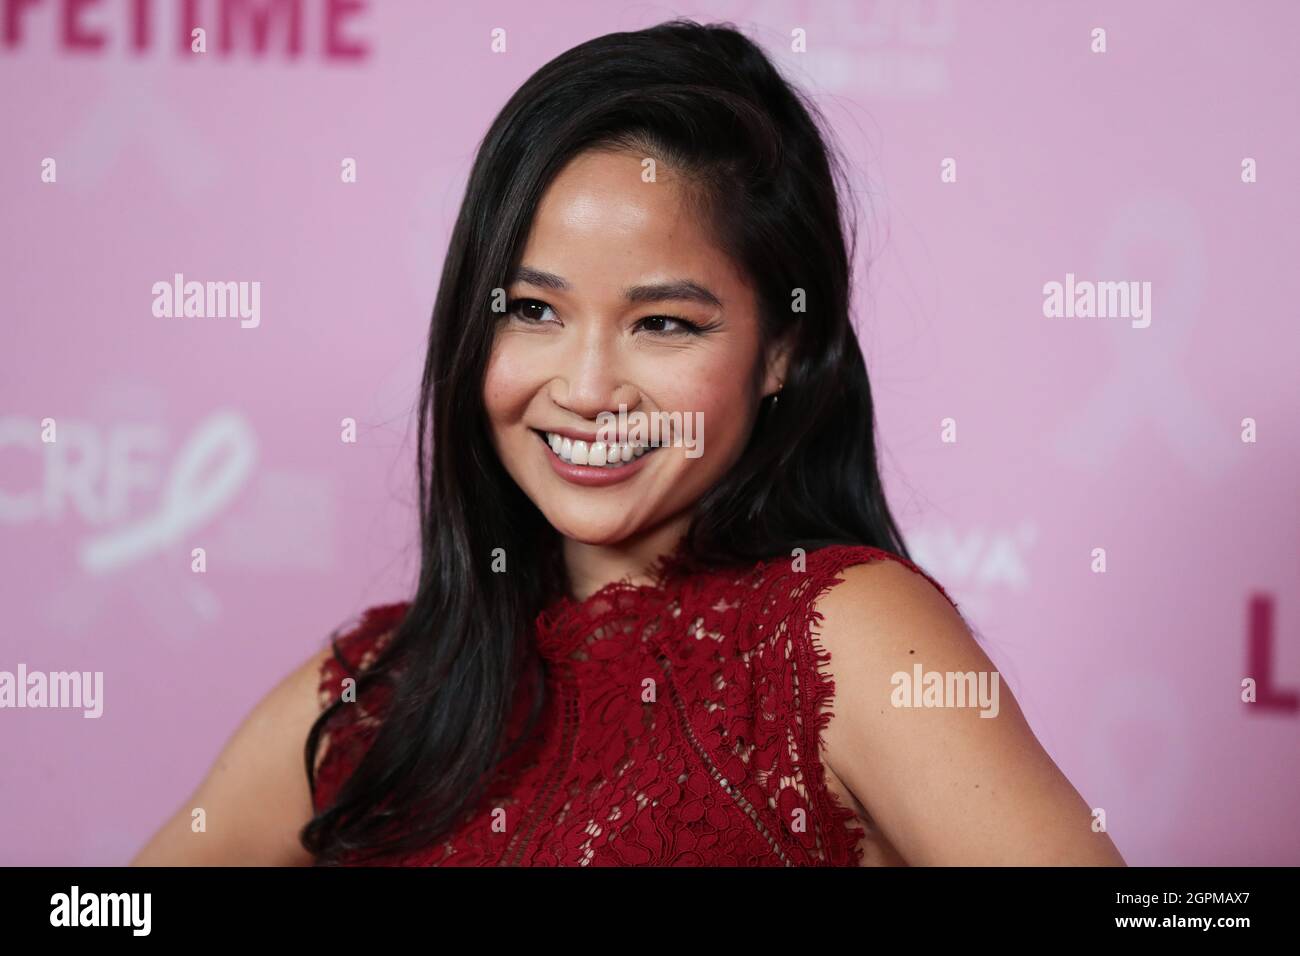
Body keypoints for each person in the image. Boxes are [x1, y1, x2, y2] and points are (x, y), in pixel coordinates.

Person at [132, 19, 1125, 867]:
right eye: (532, 309)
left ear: (782, 346)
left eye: (664, 324)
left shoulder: (838, 637)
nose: (587, 388)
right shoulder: (381, 684)